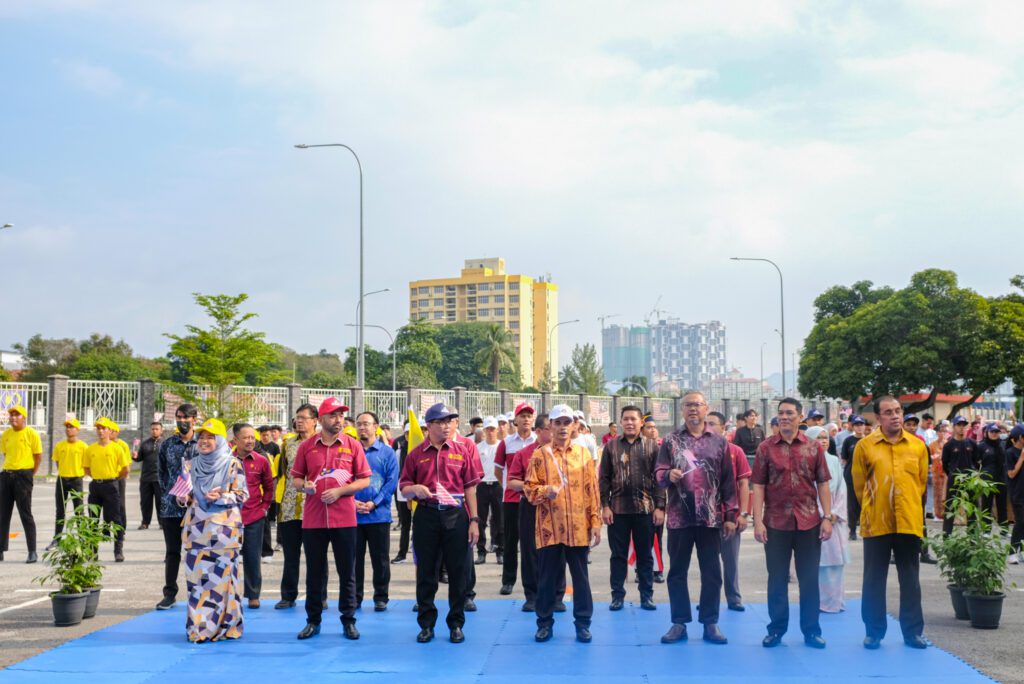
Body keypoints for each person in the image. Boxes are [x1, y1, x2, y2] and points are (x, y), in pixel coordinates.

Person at [655, 391, 738, 645]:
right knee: (677, 572)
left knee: (712, 573)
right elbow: (658, 475)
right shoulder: (670, 441)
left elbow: (728, 482)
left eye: (698, 405)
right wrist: (669, 475)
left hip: (711, 519)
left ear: (706, 409)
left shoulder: (719, 442)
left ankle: (710, 623)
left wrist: (731, 515)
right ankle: (679, 623)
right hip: (680, 518)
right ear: (682, 410)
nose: (693, 409)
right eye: (688, 405)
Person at [752, 397, 833, 649]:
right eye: (780, 413)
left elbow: (823, 484)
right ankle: (776, 630)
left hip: (809, 522)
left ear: (800, 417)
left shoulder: (813, 447)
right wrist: (757, 522)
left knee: (809, 580)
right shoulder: (766, 448)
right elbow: (758, 486)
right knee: (776, 579)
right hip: (775, 523)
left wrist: (827, 517)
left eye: (789, 413)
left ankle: (811, 631)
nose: (784, 417)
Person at [399, 402, 481, 644]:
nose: (446, 426)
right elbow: (403, 487)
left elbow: (470, 488)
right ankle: (426, 624)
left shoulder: (461, 450)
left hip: (456, 516)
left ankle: (456, 623)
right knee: (426, 572)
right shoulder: (416, 454)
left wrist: (474, 520)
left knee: (458, 572)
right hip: (426, 515)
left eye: (450, 421)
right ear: (429, 426)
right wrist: (414, 489)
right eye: (441, 422)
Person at [290, 397, 371, 640]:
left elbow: (364, 479)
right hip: (313, 519)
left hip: (344, 518)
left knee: (348, 571)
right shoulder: (307, 447)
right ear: (322, 419)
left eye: (341, 416)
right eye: (334, 415)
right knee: (314, 572)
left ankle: (348, 620)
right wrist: (306, 486)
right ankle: (313, 621)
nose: (339, 420)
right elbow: (295, 479)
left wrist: (340, 491)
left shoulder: (352, 445)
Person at [852, 395, 929, 650]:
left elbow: (920, 484)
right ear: (878, 417)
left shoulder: (917, 447)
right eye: (888, 412)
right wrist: (877, 506)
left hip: (908, 521)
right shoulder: (865, 446)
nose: (895, 415)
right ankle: (873, 632)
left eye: (898, 411)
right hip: (877, 523)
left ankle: (913, 633)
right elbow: (860, 487)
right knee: (874, 579)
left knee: (910, 579)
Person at [525, 404, 601, 644]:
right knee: (547, 579)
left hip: (578, 528)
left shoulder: (583, 455)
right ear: (550, 426)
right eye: (557, 423)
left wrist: (595, 522)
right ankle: (544, 623)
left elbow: (593, 491)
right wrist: (546, 491)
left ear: (575, 426)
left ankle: (583, 624)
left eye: (566, 422)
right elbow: (529, 489)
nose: (562, 427)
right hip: (549, 528)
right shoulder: (540, 454)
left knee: (581, 578)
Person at [179, 418, 249, 643]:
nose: (204, 441)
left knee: (224, 582)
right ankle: (200, 629)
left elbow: (242, 495)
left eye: (210, 437)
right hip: (196, 532)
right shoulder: (189, 465)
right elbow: (183, 496)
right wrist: (183, 498)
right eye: (201, 437)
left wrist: (220, 497)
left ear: (220, 441)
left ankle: (228, 626)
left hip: (224, 534)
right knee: (197, 583)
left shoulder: (232, 464)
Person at [599, 405, 665, 612]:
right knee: (617, 556)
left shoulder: (652, 446)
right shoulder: (611, 447)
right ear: (620, 422)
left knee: (645, 556)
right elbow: (604, 479)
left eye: (633, 419)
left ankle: (647, 596)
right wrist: (605, 506)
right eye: (625, 419)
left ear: (641, 423)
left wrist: (660, 507)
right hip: (617, 511)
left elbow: (659, 480)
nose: (629, 423)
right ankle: (617, 596)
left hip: (645, 510)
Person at [507, 413, 566, 612]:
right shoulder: (524, 454)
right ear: (539, 431)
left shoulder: (562, 454)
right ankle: (531, 595)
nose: (557, 430)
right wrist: (534, 487)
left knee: (557, 549)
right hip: (530, 506)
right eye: (552, 427)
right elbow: (511, 482)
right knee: (530, 550)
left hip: (555, 507)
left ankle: (558, 596)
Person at [276, 403, 324, 609]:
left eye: (304, 417)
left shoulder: (322, 443)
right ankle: (288, 595)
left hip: (314, 508)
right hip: (289, 508)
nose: (299, 421)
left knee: (317, 556)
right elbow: (285, 473)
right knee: (290, 555)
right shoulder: (287, 444)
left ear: (315, 421)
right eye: (297, 417)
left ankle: (320, 596)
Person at [705, 410, 751, 612]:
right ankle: (708, 599)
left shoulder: (736, 452)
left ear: (724, 428)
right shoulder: (697, 452)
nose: (708, 427)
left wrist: (743, 514)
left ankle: (734, 597)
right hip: (705, 518)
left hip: (730, 517)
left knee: (730, 560)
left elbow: (744, 484)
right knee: (708, 561)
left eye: (713, 423)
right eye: (705, 423)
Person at [155, 403, 199, 609]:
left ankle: (199, 592)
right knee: (172, 552)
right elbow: (161, 472)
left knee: (198, 551)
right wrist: (173, 493)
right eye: (178, 417)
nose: (182, 421)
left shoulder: (203, 444)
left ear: (194, 420)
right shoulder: (167, 444)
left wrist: (192, 496)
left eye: (186, 417)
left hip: (198, 507)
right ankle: (169, 593)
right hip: (171, 508)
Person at [354, 411, 399, 611]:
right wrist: (353, 502)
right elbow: (343, 478)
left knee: (380, 559)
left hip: (379, 515)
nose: (362, 428)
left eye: (366, 424)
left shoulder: (387, 452)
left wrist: (375, 502)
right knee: (354, 560)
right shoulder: (350, 451)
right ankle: (355, 597)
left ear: (376, 426)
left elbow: (391, 481)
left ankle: (381, 596)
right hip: (352, 515)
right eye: (359, 424)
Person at [494, 403, 537, 595]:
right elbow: (498, 471)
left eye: (529, 415)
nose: (526, 419)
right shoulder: (507, 443)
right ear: (516, 420)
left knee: (533, 543)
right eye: (523, 415)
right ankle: (508, 580)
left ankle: (535, 581)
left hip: (535, 500)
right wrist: (509, 487)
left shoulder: (539, 441)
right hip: (511, 499)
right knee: (511, 541)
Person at [807, 426, 849, 613]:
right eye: (819, 437)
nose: (824, 441)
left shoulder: (833, 460)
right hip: (812, 515)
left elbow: (842, 490)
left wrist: (834, 513)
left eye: (826, 437)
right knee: (817, 562)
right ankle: (819, 602)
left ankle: (835, 601)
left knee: (835, 560)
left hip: (833, 518)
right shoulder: (805, 460)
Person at [233, 424, 274, 609]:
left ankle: (253, 594)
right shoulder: (225, 460)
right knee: (227, 557)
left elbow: (268, 487)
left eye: (252, 437)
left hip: (253, 516)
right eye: (246, 437)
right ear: (236, 440)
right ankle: (228, 593)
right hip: (229, 516)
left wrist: (264, 507)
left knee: (252, 556)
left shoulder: (261, 460)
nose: (250, 441)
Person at [83, 417, 129, 562]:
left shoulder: (117, 448)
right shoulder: (90, 449)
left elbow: (125, 470)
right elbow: (86, 468)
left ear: (110, 431)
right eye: (99, 428)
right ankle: (93, 551)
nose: (101, 431)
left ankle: (118, 550)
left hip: (111, 485)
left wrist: (113, 478)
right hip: (96, 486)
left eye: (104, 428)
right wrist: (98, 477)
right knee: (93, 519)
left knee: (116, 519)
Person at [49, 418, 87, 549]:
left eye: (71, 427)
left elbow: (86, 463)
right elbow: (57, 461)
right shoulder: (60, 445)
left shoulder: (83, 446)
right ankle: (57, 539)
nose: (68, 429)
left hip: (76, 480)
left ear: (77, 429)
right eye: (67, 427)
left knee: (79, 511)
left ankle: (82, 539)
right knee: (60, 510)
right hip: (62, 480)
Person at [941, 416, 979, 536]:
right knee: (950, 508)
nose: (962, 428)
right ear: (954, 427)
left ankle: (972, 538)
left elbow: (976, 460)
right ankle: (947, 537)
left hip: (970, 480)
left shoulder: (972, 443)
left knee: (971, 509)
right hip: (954, 480)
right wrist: (953, 474)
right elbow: (945, 464)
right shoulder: (948, 445)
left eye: (964, 425)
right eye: (959, 425)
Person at [475, 416, 503, 565]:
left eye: (493, 429)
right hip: (483, 485)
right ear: (484, 430)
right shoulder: (478, 447)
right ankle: (481, 551)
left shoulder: (502, 446)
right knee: (480, 520)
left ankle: (500, 551)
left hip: (498, 486)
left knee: (500, 520)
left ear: (497, 430)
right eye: (488, 429)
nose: (491, 432)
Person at [841, 416, 868, 540]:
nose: (859, 427)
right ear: (852, 426)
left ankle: (866, 528)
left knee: (866, 504)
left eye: (861, 424)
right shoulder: (848, 441)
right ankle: (852, 530)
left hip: (867, 477)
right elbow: (845, 459)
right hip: (851, 477)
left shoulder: (869, 441)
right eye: (856, 425)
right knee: (852, 505)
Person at [133, 422, 164, 530]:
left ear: (161, 430)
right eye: (153, 429)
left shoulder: (165, 444)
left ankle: (162, 523)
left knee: (161, 501)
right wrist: (135, 456)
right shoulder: (145, 444)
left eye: (157, 429)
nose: (154, 431)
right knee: (145, 502)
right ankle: (145, 522)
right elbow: (139, 458)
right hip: (146, 478)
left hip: (160, 478)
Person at [978, 423, 1009, 527]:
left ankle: (1004, 529)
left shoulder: (1003, 444)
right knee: (986, 505)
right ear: (987, 432)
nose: (994, 434)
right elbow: (975, 461)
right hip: (987, 479)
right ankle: (986, 529)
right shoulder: (982, 446)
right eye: (992, 431)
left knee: (1002, 505)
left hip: (1001, 478)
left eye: (996, 432)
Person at [391, 421, 413, 564]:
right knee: (405, 524)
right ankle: (402, 553)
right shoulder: (399, 451)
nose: (410, 436)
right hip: (403, 491)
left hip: (420, 493)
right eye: (407, 433)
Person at [1006, 425, 1024, 564]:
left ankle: (1022, 551)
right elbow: (1011, 474)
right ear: (1019, 438)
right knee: (1020, 522)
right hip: (1017, 493)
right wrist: (1022, 458)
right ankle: (1012, 552)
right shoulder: (1010, 453)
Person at [930, 424, 951, 521]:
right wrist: (934, 457)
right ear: (937, 432)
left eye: (945, 431)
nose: (942, 433)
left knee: (945, 493)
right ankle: (938, 514)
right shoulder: (932, 444)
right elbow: (929, 457)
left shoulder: (948, 444)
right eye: (941, 431)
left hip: (946, 472)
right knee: (937, 493)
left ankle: (946, 513)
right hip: (936, 472)